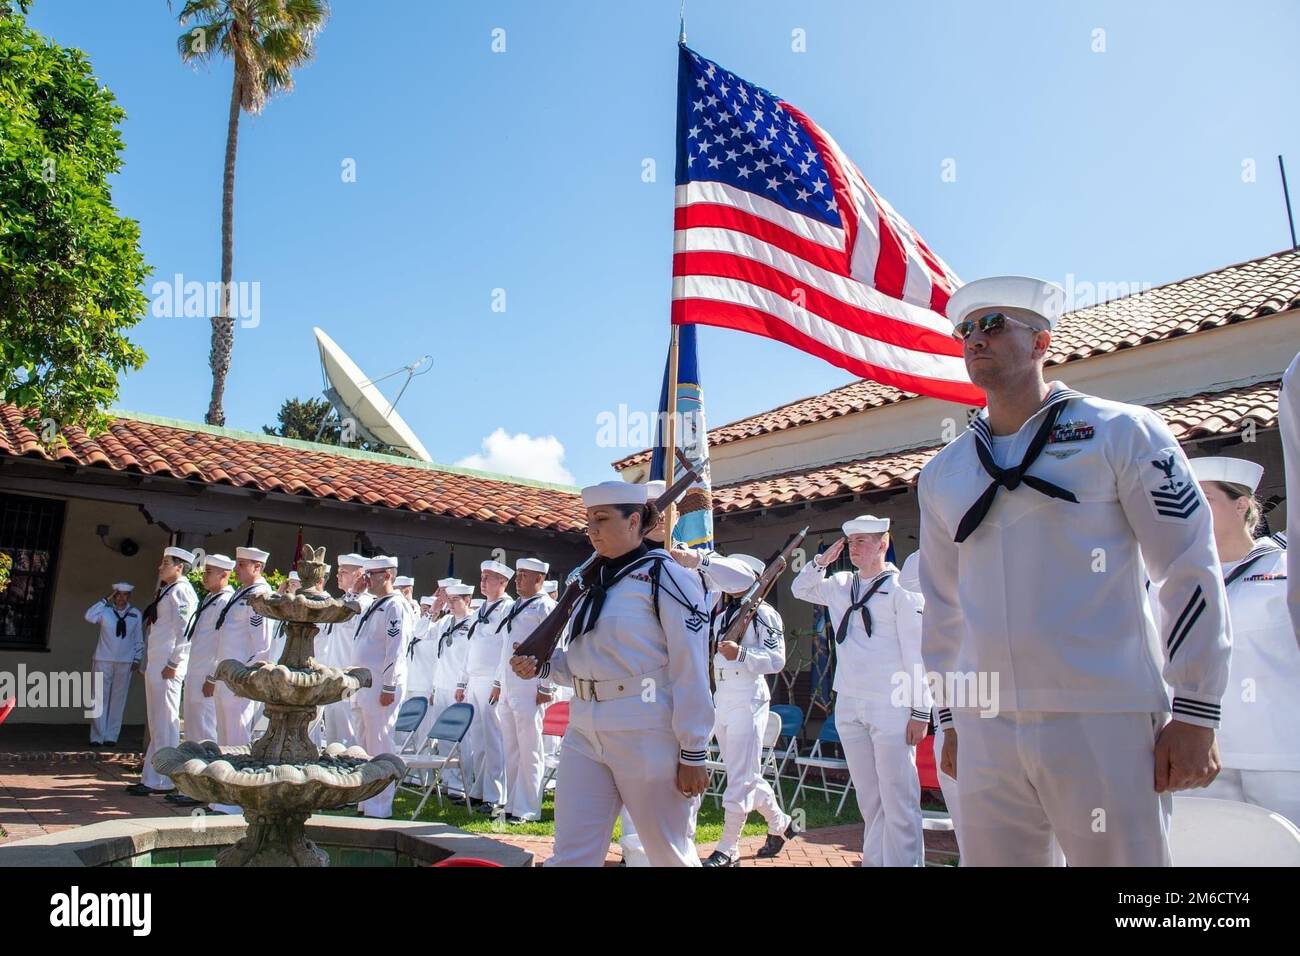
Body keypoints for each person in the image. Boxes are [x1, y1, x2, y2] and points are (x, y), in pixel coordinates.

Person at [918, 275, 1230, 866]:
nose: (975, 340)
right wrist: (949, 714)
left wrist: (1196, 707)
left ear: (1041, 344)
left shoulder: (1123, 432)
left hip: (1104, 714)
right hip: (987, 725)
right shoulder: (943, 473)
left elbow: (1187, 568)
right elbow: (943, 606)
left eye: (994, 325)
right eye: (966, 330)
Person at [511, 481, 713, 867]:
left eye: (602, 519)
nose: (593, 529)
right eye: (589, 520)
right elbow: (587, 661)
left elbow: (691, 668)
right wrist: (544, 664)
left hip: (646, 729)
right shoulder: (590, 583)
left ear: (634, 520)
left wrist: (693, 750)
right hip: (583, 727)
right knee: (571, 856)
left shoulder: (667, 577)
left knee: (668, 855)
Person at [792, 516, 929, 866]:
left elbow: (917, 653)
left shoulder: (902, 590)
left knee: (898, 798)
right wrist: (821, 561)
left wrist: (920, 710)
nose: (854, 547)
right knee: (870, 800)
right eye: (850, 541)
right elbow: (800, 589)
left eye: (863, 541)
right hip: (850, 702)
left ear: (883, 543)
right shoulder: (840, 584)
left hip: (891, 702)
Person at [1179, 457, 1298, 824]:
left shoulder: (1284, 568)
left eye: (1205, 499)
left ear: (1241, 504)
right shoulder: (1170, 581)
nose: (1192, 510)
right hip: (1205, 755)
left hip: (1282, 753)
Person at [703, 552, 796, 866]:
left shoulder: (765, 614)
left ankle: (728, 847)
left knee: (741, 776)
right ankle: (781, 824)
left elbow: (777, 660)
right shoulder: (721, 613)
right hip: (723, 697)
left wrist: (742, 654)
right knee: (743, 774)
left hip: (749, 697)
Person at [127, 546, 197, 797]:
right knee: (157, 722)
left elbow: (185, 632)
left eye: (166, 563)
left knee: (166, 723)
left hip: (168, 665)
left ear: (179, 566)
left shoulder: (183, 591)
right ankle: (152, 777)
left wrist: (174, 662)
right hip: (158, 663)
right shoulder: (169, 590)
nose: (160, 567)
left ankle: (166, 779)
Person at [494, 557, 557, 823]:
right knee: (511, 746)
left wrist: (546, 686)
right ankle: (512, 803)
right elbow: (505, 646)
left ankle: (528, 807)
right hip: (510, 683)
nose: (517, 580)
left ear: (539, 579)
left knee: (530, 747)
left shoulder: (546, 607)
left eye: (523, 575)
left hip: (531, 685)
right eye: (517, 574)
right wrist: (498, 682)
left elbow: (554, 647)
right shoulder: (518, 605)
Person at [351, 555, 409, 818]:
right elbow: (346, 615)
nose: (366, 579)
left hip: (380, 686)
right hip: (365, 685)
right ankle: (366, 800)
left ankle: (380, 805)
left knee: (379, 743)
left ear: (387, 576)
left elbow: (395, 650)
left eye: (371, 575)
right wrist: (355, 591)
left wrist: (389, 685)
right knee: (364, 745)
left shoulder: (395, 606)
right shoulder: (374, 604)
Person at [456, 560, 515, 813]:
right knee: (477, 737)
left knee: (494, 738)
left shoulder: (508, 608)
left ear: (502, 582)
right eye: (482, 576)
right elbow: (470, 647)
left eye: (489, 577)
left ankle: (496, 794)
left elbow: (505, 648)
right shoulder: (482, 609)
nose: (483, 581)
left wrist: (499, 682)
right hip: (475, 680)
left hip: (492, 680)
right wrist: (463, 681)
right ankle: (479, 790)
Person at [316, 553, 371, 748]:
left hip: (349, 678)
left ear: (359, 576)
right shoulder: (341, 601)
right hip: (333, 675)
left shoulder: (365, 604)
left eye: (344, 572)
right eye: (338, 572)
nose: (338, 576)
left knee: (349, 739)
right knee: (333, 738)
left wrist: (354, 596)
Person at [180, 555, 235, 750]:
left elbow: (223, 643)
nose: (204, 576)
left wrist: (212, 677)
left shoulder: (226, 601)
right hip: (195, 670)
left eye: (209, 572)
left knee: (205, 730)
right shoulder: (211, 598)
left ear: (224, 574)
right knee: (193, 729)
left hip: (207, 675)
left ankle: (205, 774)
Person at [84, 582, 143, 748]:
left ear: (129, 597)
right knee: (98, 698)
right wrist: (104, 600)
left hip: (125, 661)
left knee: (118, 699)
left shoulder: (135, 614)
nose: (121, 598)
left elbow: (138, 637)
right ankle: (97, 736)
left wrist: (138, 658)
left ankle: (111, 736)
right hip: (103, 658)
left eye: (125, 595)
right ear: (114, 596)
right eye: (118, 594)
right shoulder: (105, 611)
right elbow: (89, 616)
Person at [431, 582, 475, 793]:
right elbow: (422, 634)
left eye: (455, 600)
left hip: (459, 687)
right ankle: (449, 780)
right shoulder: (445, 621)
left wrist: (462, 684)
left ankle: (463, 784)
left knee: (462, 738)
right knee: (444, 737)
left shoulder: (473, 622)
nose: (451, 605)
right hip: (441, 685)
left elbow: (469, 658)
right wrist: (434, 611)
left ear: (467, 600)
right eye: (449, 600)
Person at [400, 594, 440, 749]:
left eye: (429, 610)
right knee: (404, 734)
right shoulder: (414, 628)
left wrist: (434, 689)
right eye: (423, 609)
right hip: (409, 685)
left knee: (424, 734)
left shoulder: (437, 631)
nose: (425, 613)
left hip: (425, 687)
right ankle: (409, 772)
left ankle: (425, 772)